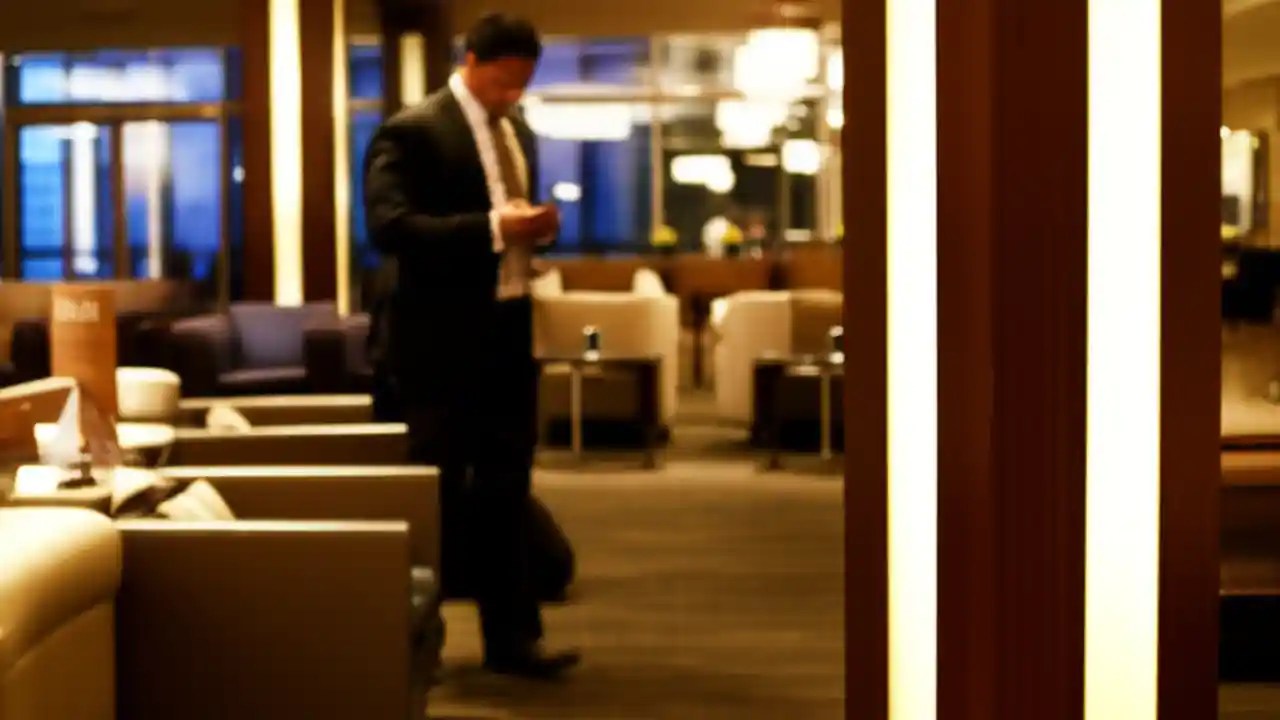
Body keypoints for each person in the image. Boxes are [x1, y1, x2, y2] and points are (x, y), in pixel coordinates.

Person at [362, 13, 579, 679]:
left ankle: (514, 642)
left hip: (508, 327)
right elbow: (390, 228)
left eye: (523, 84)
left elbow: (507, 223)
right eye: (504, 80)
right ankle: (415, 645)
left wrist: (535, 232)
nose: (513, 95)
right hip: (437, 339)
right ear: (472, 60)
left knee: (508, 486)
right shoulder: (414, 130)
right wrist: (493, 228)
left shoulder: (518, 130)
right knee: (439, 492)